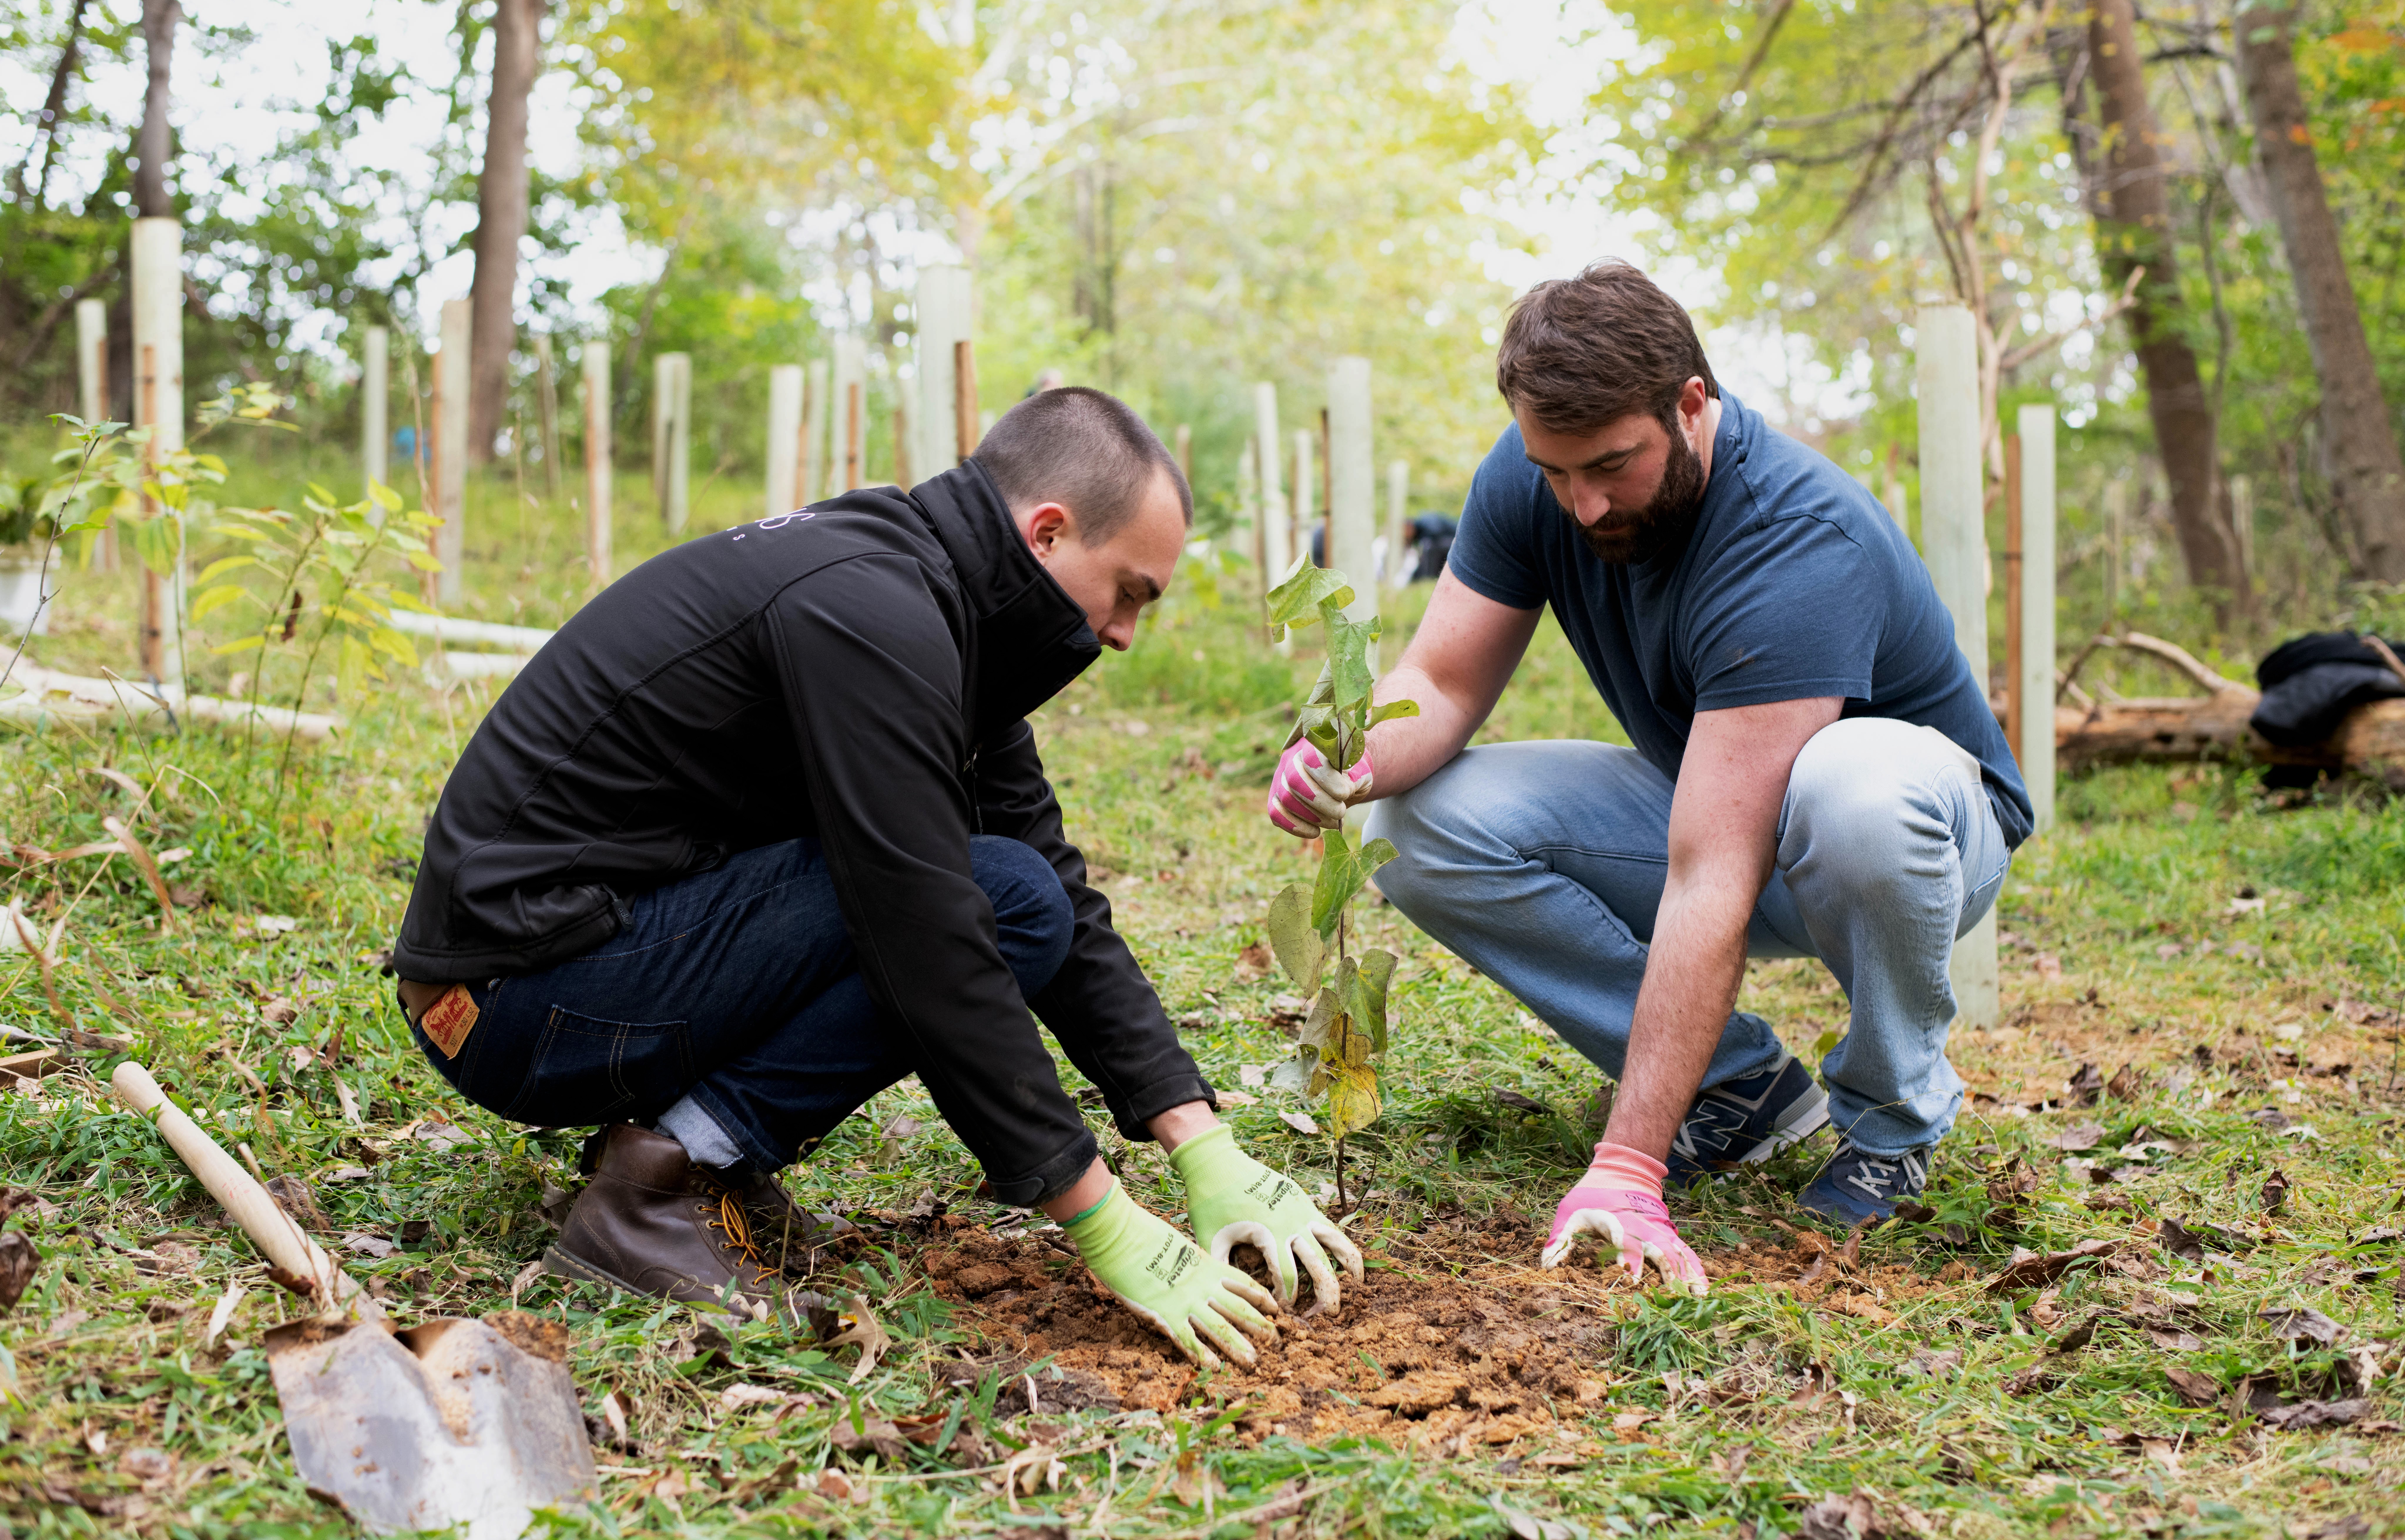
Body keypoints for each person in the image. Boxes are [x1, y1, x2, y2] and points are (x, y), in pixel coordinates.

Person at [391, 387, 1359, 1359]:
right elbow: (927, 934)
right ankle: (656, 1189)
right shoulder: (872, 614)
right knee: (990, 902)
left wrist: (1201, 1142)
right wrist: (1102, 1217)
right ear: (1049, 533)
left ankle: (689, 1158)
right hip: (515, 1000)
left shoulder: (933, 615)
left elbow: (1057, 885)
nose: (1122, 634)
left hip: (577, 965)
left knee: (1026, 894)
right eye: (1130, 592)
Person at [1264, 263, 2029, 1288]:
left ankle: (1895, 1121)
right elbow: (1441, 683)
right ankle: (1741, 1088)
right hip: (1724, 803)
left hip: (1915, 844)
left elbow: (1712, 872)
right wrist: (1352, 755)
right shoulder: (1536, 477)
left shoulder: (1795, 540)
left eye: (1613, 466)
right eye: (1555, 472)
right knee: (1417, 823)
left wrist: (1628, 1167)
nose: (1583, 505)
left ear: (1692, 404)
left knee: (1854, 791)